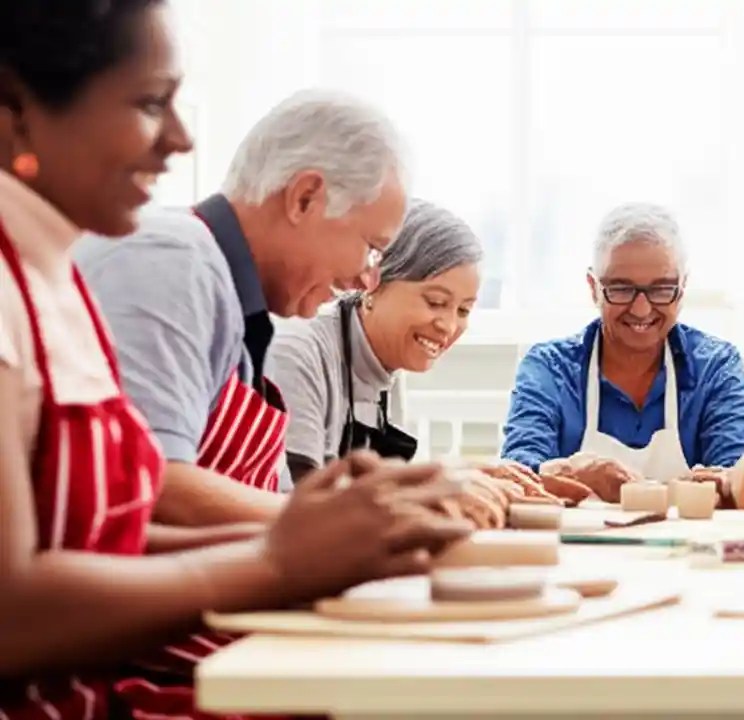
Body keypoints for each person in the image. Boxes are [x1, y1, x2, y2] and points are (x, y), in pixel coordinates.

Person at [0, 4, 471, 720]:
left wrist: (326, 536)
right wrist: (278, 557)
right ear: (15, 111)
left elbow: (108, 532)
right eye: (151, 104)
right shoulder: (152, 262)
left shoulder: (52, 278)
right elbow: (15, 609)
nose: (181, 142)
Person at [74, 88, 408, 521]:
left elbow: (275, 501)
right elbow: (153, 483)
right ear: (305, 197)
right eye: (371, 248)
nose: (367, 279)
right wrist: (359, 517)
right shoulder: (172, 261)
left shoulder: (231, 297)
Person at [500, 202, 744, 502]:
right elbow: (518, 477)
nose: (641, 309)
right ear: (593, 287)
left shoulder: (715, 367)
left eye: (662, 289)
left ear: (683, 287)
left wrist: (727, 482)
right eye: (621, 289)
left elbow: (739, 477)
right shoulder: (548, 368)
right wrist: (570, 474)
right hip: (578, 547)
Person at [268, 199, 482, 477]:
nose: (449, 326)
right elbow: (299, 504)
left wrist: (468, 478)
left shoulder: (386, 361)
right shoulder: (297, 351)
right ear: (373, 281)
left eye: (464, 310)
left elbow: (377, 489)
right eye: (435, 302)